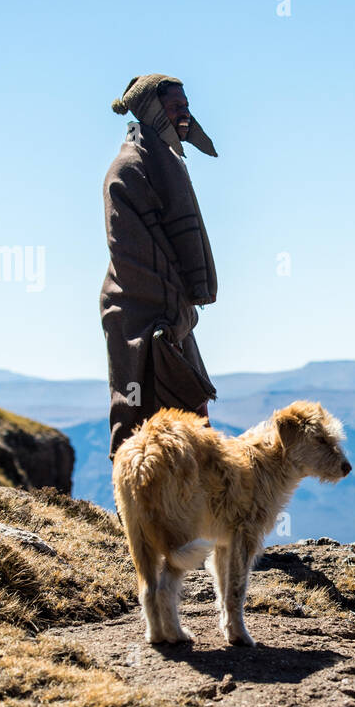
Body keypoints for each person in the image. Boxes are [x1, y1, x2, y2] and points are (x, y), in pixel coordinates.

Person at [100, 74, 220, 458]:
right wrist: (169, 317)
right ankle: (133, 513)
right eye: (176, 107)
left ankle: (181, 515)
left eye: (186, 107)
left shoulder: (161, 163)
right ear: (152, 111)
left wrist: (178, 314)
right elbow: (132, 255)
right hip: (139, 315)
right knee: (137, 415)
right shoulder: (128, 170)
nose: (185, 115)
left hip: (169, 315)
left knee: (189, 424)